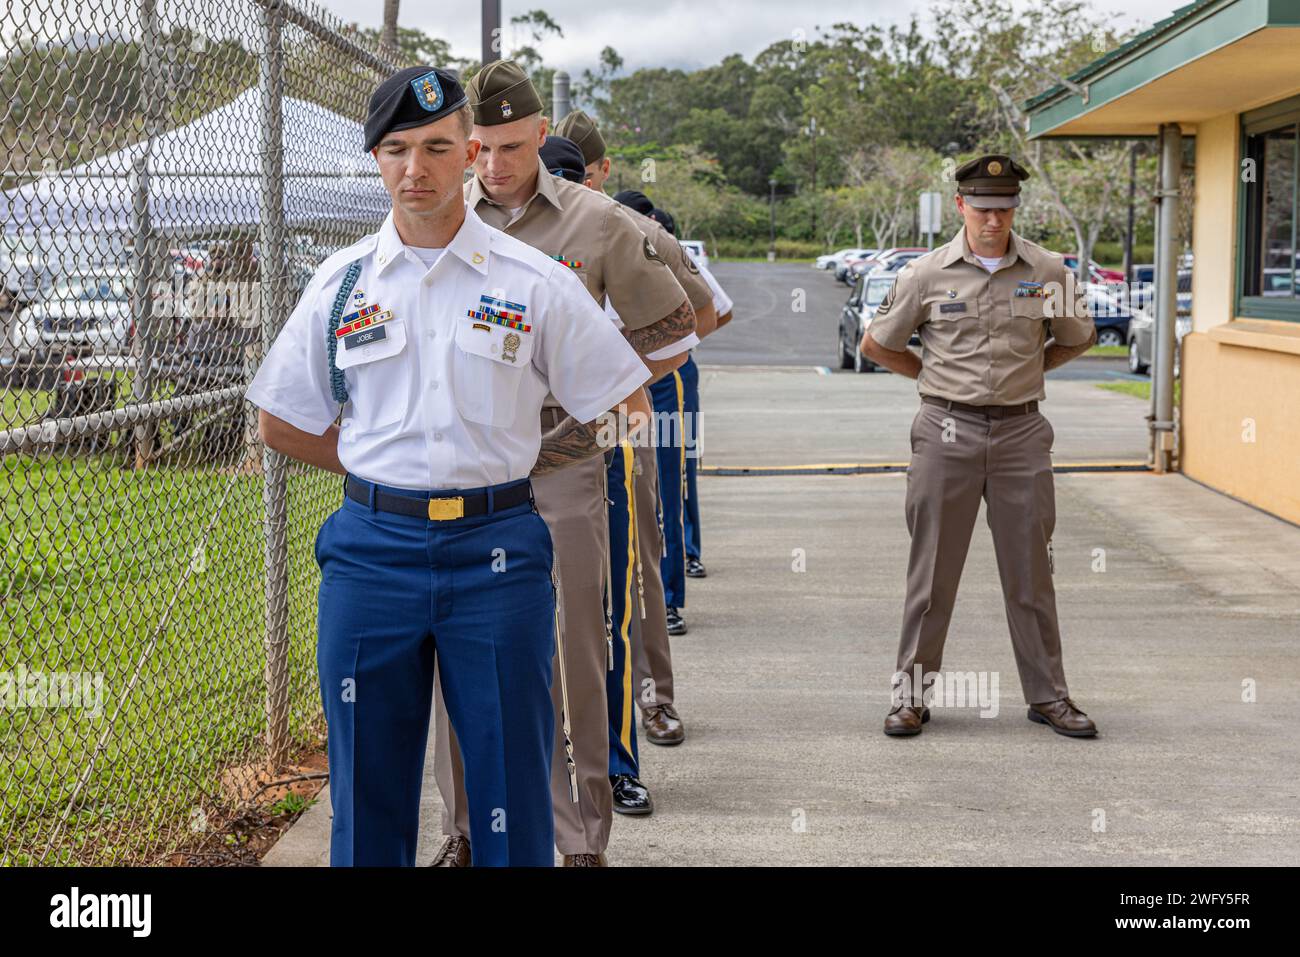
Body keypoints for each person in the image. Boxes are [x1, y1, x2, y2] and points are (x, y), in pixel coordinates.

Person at [245, 65, 653, 866]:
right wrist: (373, 467)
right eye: (396, 149)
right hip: (371, 551)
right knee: (366, 792)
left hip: (497, 551)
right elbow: (279, 419)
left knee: (513, 793)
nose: (415, 167)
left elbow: (626, 403)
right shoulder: (341, 283)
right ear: (375, 159)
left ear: (469, 153)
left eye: (436, 146)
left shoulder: (532, 281)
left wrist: (525, 458)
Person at [430, 60, 697, 867]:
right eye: (479, 148)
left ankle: (579, 838)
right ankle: (466, 830)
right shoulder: (443, 220)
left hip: (564, 462)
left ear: (542, 134)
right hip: (471, 467)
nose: (494, 164)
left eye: (511, 146)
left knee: (576, 649)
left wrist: (600, 387)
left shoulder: (600, 222)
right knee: (462, 653)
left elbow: (676, 331)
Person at [860, 153, 1099, 739]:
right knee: (932, 572)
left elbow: (1077, 337)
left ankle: (1049, 696)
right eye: (984, 207)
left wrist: (1029, 371)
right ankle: (911, 698)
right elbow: (877, 344)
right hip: (947, 432)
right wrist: (933, 376)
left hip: (1021, 433)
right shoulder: (926, 273)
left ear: (1017, 206)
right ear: (961, 205)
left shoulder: (1047, 270)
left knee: (1030, 573)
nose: (995, 219)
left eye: (1005, 207)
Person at [647, 206, 734, 582]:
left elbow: (720, 310)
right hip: (631, 374)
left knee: (679, 466)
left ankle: (687, 550)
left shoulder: (679, 257)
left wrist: (677, 346)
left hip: (675, 375)